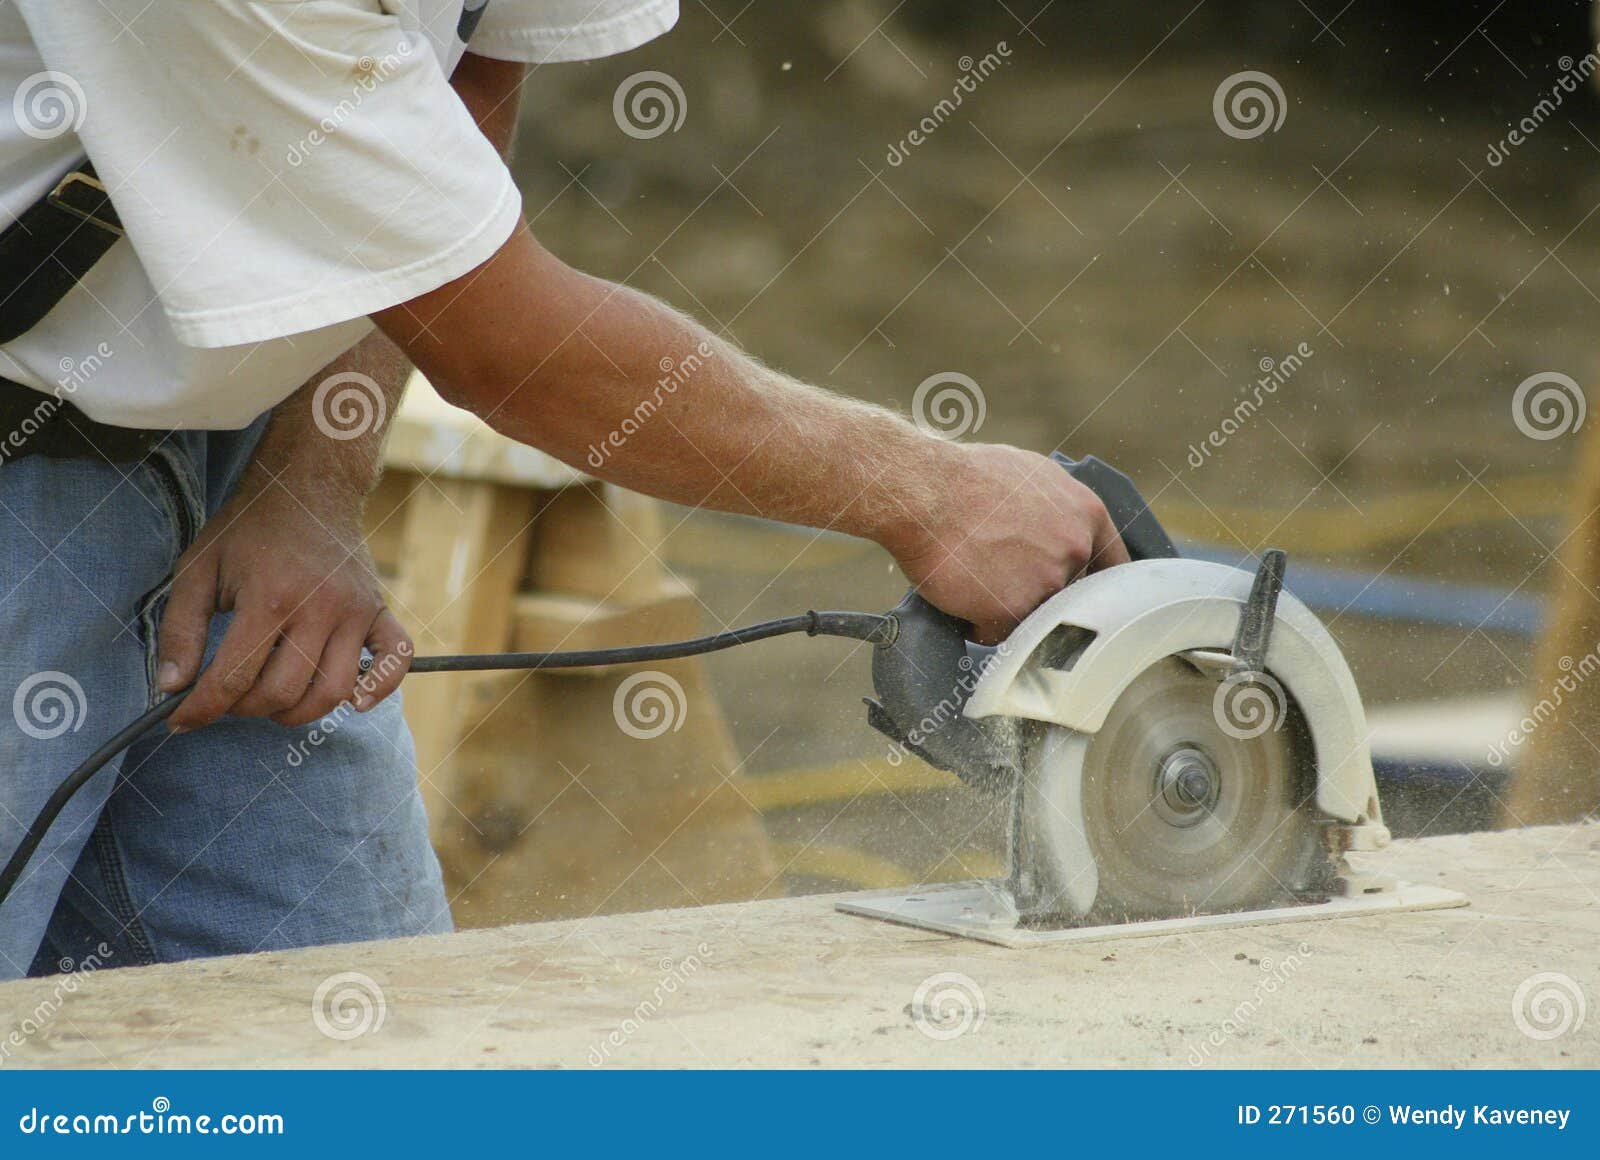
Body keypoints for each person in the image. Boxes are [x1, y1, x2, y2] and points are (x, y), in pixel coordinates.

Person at [0, 0, 1126, 980]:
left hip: (233, 438)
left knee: (360, 1050)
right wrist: (928, 495)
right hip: (22, 467)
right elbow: (505, 343)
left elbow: (459, 91)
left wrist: (309, 481)